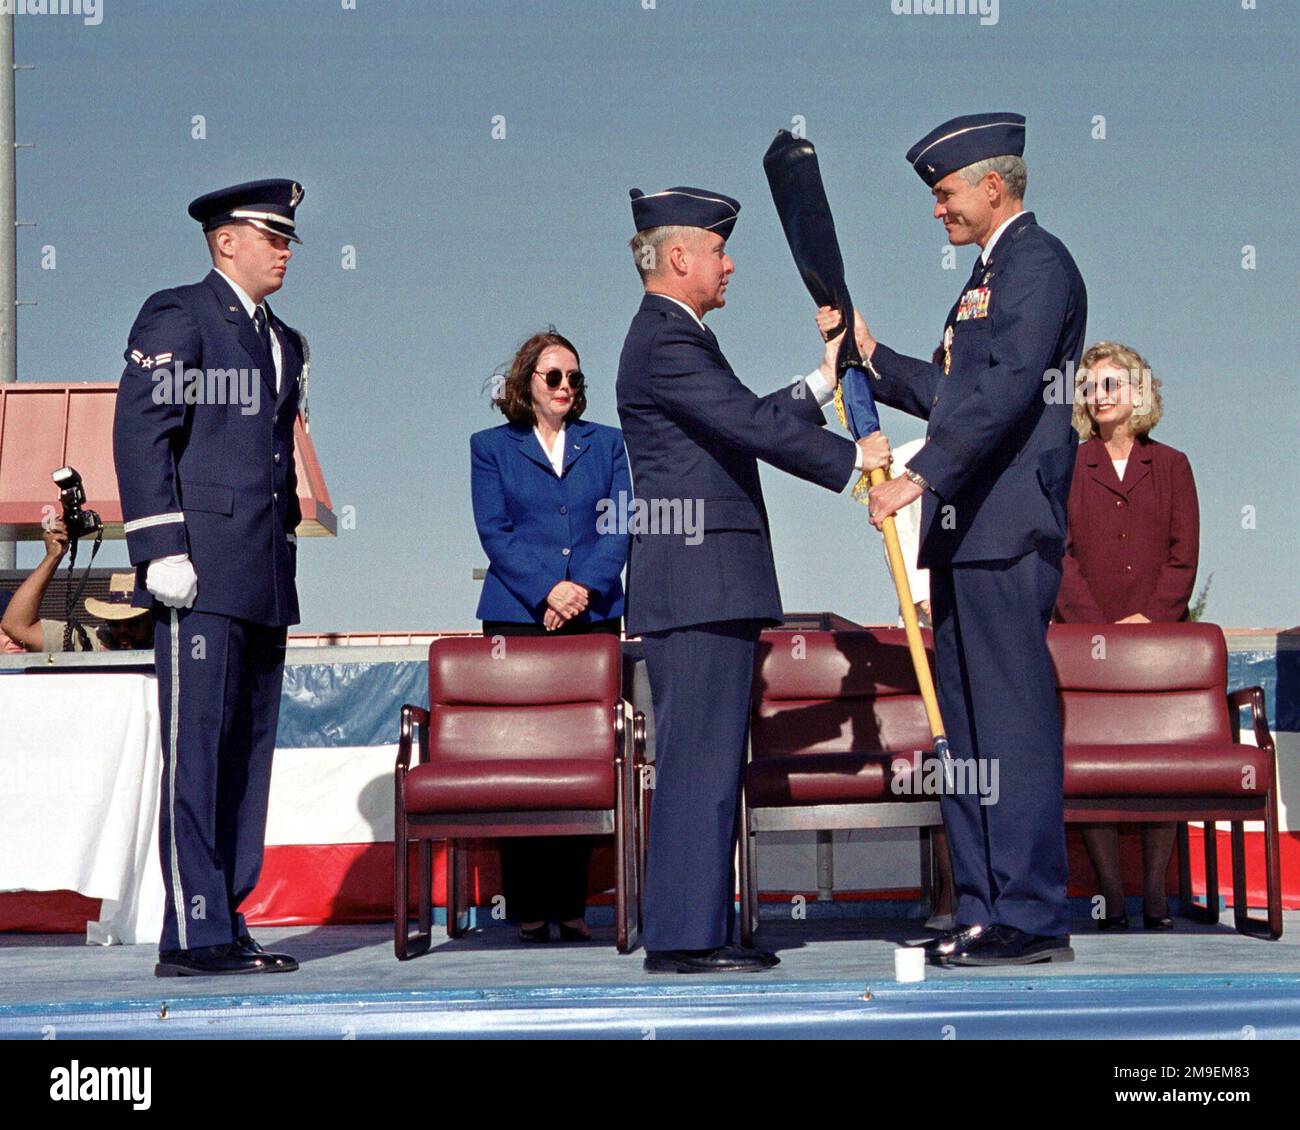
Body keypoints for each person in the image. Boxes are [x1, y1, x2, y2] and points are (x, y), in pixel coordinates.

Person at [826, 112, 1088, 966]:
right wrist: (873, 356)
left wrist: (923, 473)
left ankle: (1032, 913)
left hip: (1006, 527)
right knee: (966, 731)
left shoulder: (1037, 264)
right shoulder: (984, 277)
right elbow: (953, 389)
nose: (937, 210)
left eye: (943, 194)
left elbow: (1011, 389)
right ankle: (983, 905)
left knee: (1010, 727)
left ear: (991, 185)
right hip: (965, 535)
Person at [616, 185, 890, 974]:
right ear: (678, 257)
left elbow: (740, 416)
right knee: (698, 762)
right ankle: (682, 938)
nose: (729, 265)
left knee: (709, 762)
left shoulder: (680, 338)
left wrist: (820, 382)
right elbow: (744, 425)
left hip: (709, 582)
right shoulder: (666, 339)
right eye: (718, 250)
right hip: (697, 582)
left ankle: (697, 926)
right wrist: (853, 461)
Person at [112, 179, 308, 977]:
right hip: (199, 574)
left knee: (245, 757)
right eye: (272, 235)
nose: (285, 248)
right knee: (197, 755)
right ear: (227, 241)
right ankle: (193, 935)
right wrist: (161, 545)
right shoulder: (180, 314)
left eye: (287, 236)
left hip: (262, 575)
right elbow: (142, 430)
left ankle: (224, 920)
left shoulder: (285, 339)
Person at [470, 328, 631, 943]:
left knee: (586, 758)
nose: (566, 387)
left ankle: (572, 904)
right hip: (517, 616)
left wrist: (581, 589)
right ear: (526, 385)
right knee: (521, 759)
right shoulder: (490, 448)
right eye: (554, 376)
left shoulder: (609, 446)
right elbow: (496, 532)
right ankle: (529, 905)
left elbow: (619, 525)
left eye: (574, 378)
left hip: (592, 615)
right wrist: (547, 591)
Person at [1055, 341, 1199, 930]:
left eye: (1112, 384)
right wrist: (1096, 627)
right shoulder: (1066, 464)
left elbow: (1183, 556)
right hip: (1086, 645)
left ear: (1138, 394)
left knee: (1158, 766)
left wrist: (1149, 622)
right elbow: (1058, 555)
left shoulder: (1173, 466)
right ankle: (1112, 901)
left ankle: (1159, 900)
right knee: (1099, 769)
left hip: (1158, 648)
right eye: (1090, 385)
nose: (1100, 395)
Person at [0, 520, 153, 652]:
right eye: (114, 623)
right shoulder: (90, 643)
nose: (122, 631)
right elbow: (15, 626)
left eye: (133, 624)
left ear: (152, 620)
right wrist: (53, 557)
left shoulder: (170, 643)